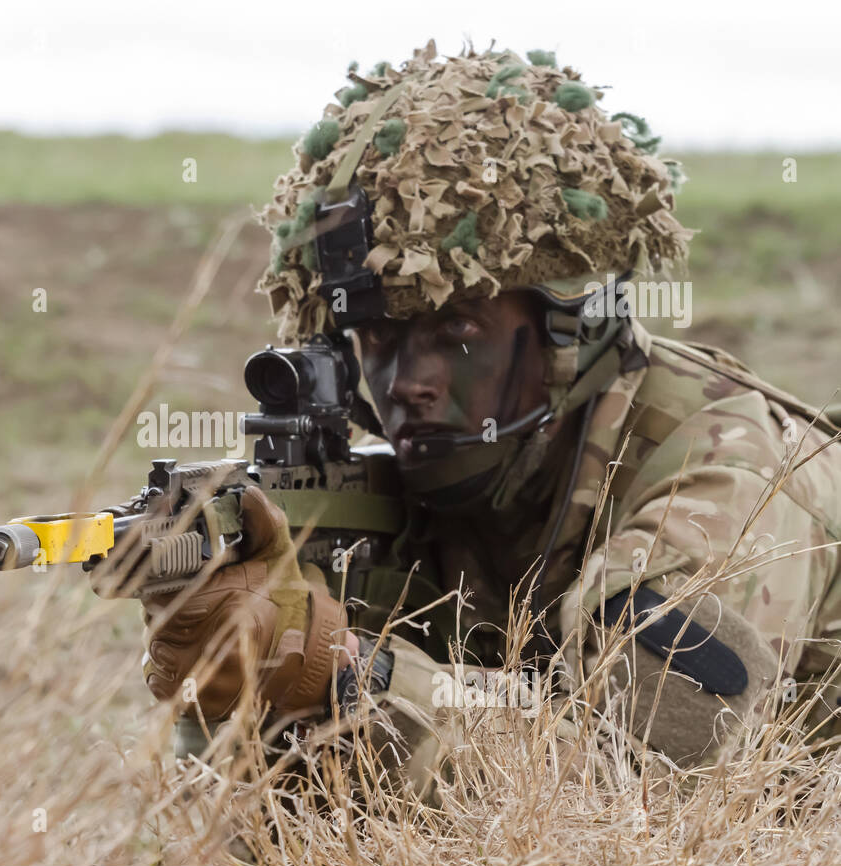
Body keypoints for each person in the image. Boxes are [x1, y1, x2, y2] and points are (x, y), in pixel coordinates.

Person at [134, 41, 841, 789]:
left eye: (458, 333)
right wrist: (231, 681)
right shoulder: (406, 496)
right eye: (381, 337)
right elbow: (258, 819)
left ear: (573, 327)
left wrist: (341, 672)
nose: (408, 384)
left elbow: (638, 782)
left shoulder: (726, 469)